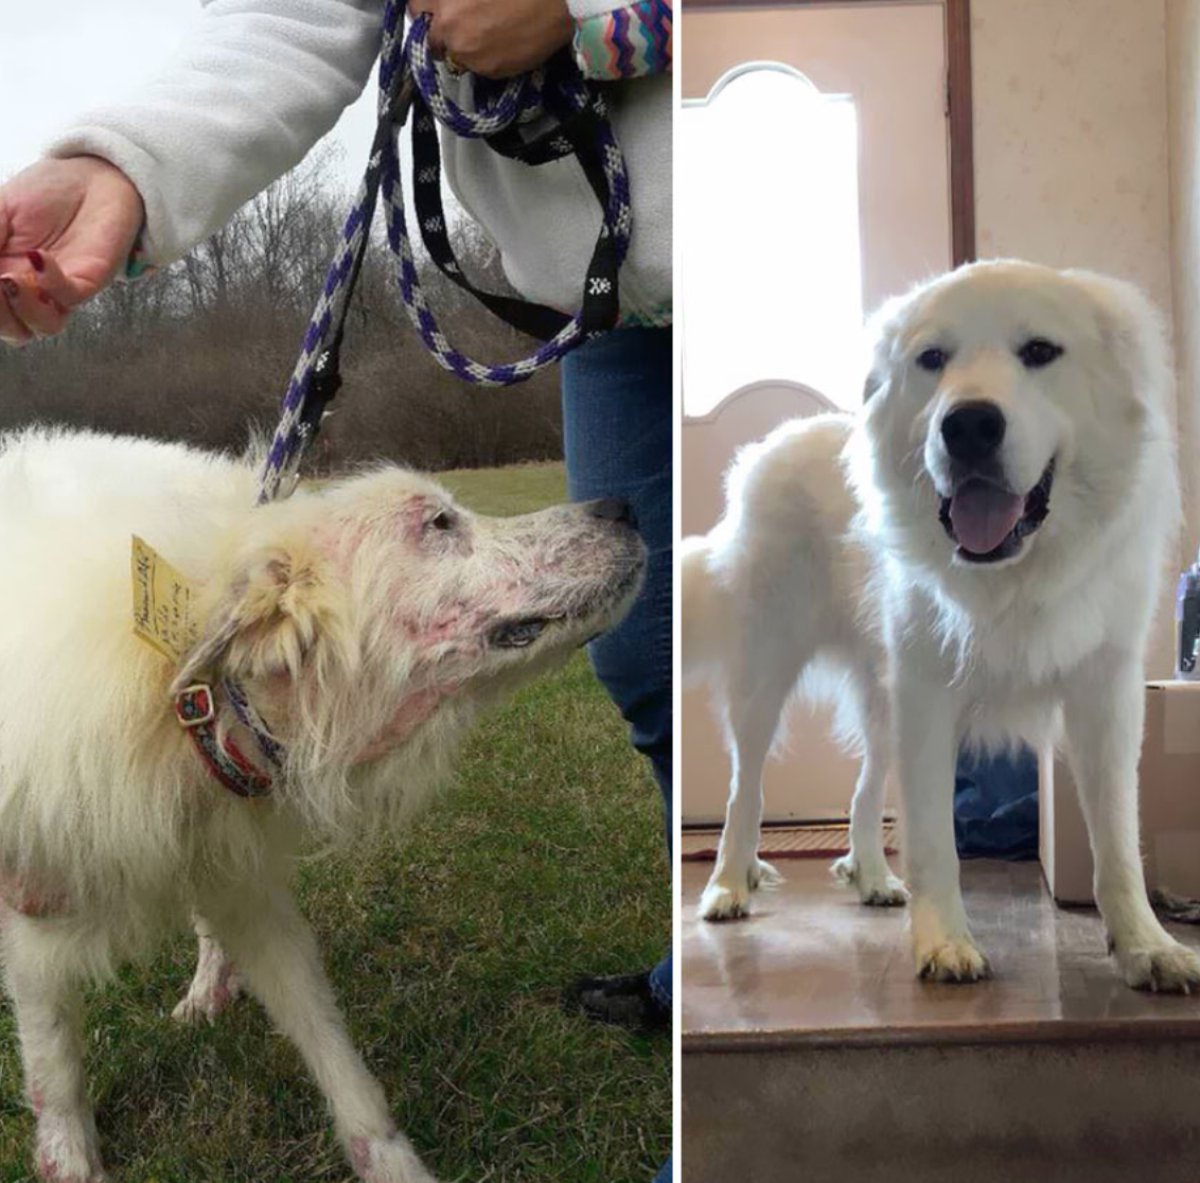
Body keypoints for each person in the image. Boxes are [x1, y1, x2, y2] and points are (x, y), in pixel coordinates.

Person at [0, 1, 674, 1180]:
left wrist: (588, 11)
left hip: (819, 162)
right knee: (652, 652)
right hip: (605, 296)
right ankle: (723, 972)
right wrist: (119, 163)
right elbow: (301, 14)